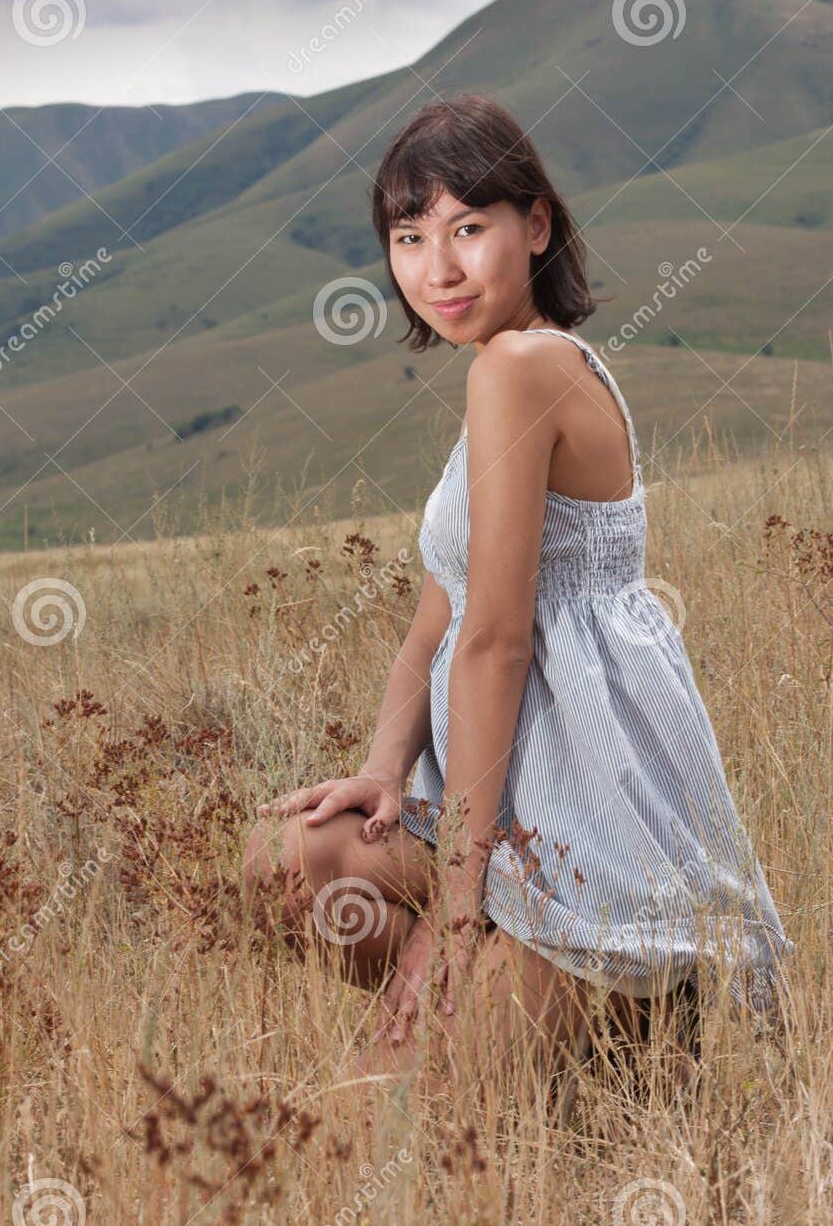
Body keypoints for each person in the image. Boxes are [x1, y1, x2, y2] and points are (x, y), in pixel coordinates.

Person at [243, 93, 794, 1095]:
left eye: (467, 229)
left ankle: (598, 1015)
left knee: (409, 1144)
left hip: (581, 845)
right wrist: (379, 769)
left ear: (534, 225)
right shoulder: (507, 372)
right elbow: (437, 622)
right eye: (408, 238)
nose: (437, 269)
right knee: (299, 855)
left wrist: (455, 909)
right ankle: (567, 1039)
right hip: (512, 831)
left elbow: (496, 643)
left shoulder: (520, 367)